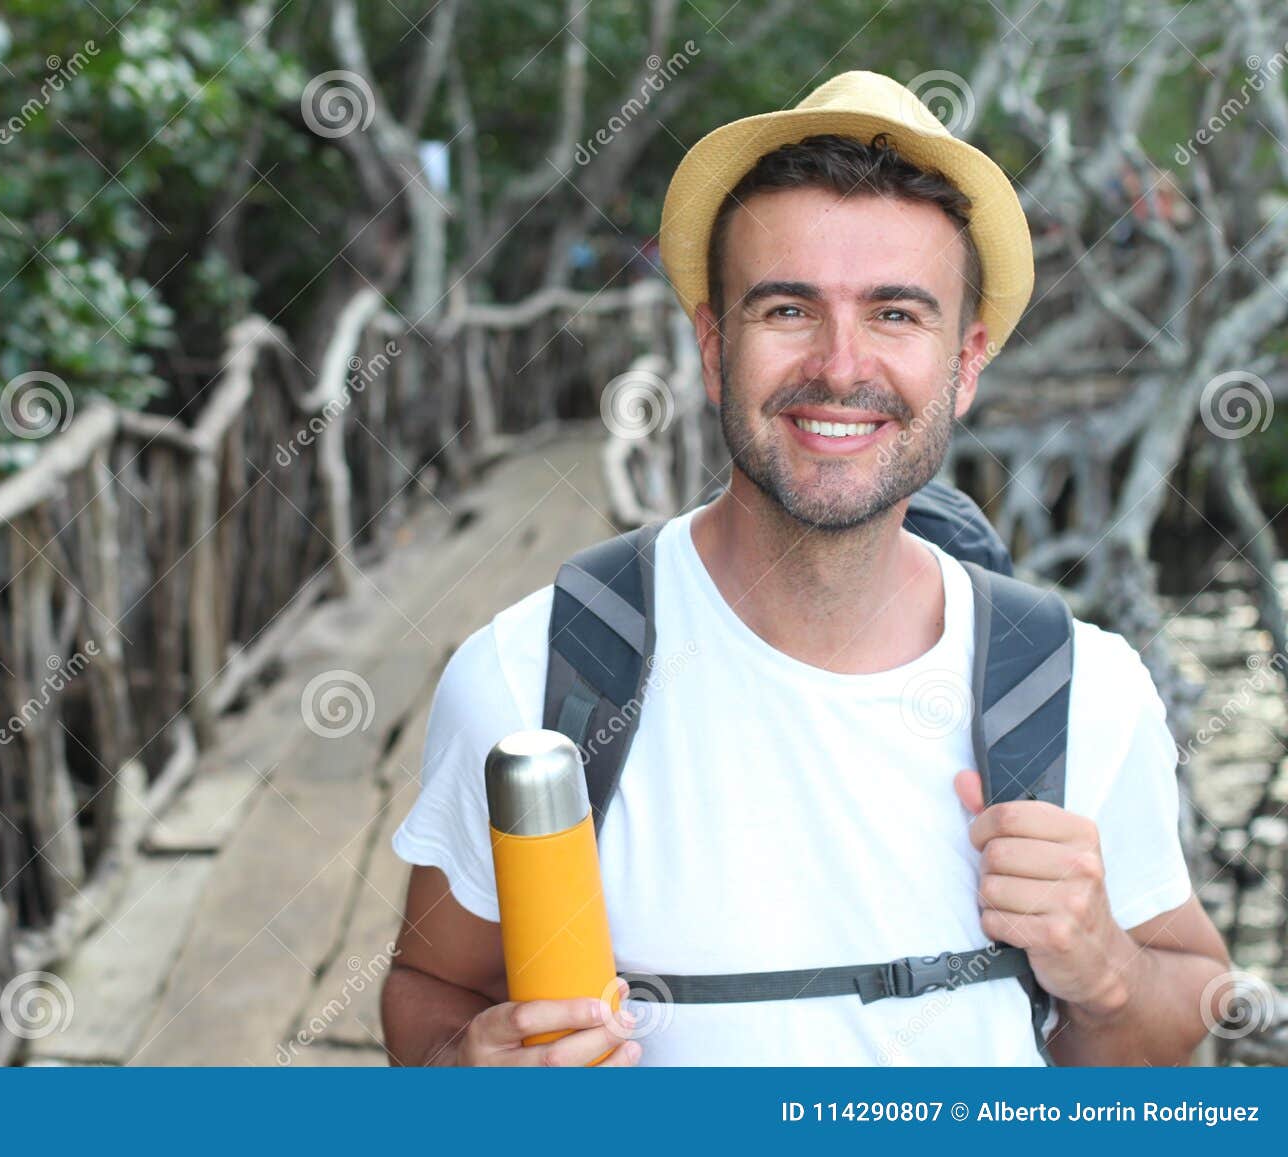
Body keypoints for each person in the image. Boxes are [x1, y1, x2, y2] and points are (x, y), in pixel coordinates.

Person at [380, 70, 1230, 1066]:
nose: (838, 364)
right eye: (787, 308)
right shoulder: (535, 678)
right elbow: (430, 992)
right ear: (712, 346)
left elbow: (1184, 1010)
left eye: (896, 314)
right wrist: (466, 1076)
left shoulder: (1080, 689)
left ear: (964, 364)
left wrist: (1105, 970)